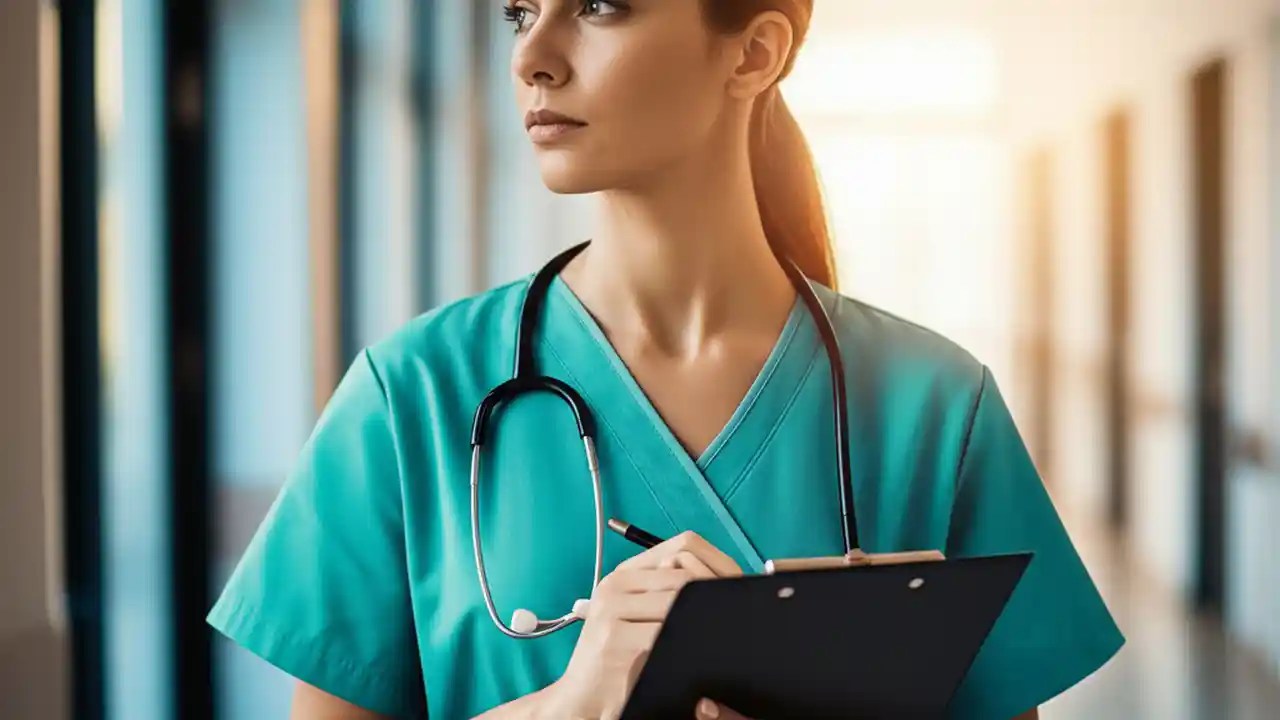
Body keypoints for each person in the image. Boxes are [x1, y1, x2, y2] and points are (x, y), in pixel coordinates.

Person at [207, 1, 1124, 718]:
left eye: (601, 6)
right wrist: (571, 704)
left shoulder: (935, 407)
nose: (532, 56)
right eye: (520, 12)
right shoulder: (411, 394)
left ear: (754, 53)